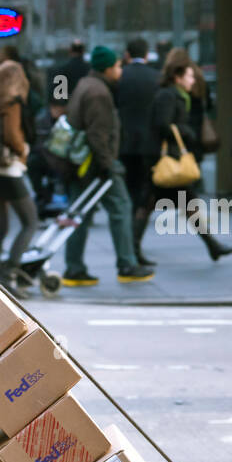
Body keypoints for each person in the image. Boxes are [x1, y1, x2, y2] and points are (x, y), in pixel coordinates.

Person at [61, 46, 155, 285]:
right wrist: (109, 165)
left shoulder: (85, 85)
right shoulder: (99, 93)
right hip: (97, 166)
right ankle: (127, 264)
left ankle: (74, 268)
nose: (120, 70)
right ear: (107, 68)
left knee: (78, 214)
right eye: (117, 66)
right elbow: (97, 135)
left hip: (80, 164)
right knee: (121, 208)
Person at [149, 60, 232, 261]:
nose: (192, 80)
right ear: (177, 78)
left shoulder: (178, 96)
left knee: (179, 203)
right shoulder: (168, 96)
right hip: (168, 160)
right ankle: (213, 246)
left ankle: (213, 246)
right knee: (159, 203)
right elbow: (163, 124)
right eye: (189, 76)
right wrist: (187, 132)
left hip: (171, 159)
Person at [0, 60, 39, 298]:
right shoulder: (11, 103)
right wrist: (23, 150)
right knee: (30, 221)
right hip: (8, 171)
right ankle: (9, 274)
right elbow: (12, 134)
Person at [116, 38, 162, 265]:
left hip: (124, 144)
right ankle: (133, 246)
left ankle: (130, 246)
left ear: (126, 54)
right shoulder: (156, 78)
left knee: (129, 194)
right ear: (147, 54)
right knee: (142, 196)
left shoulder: (120, 76)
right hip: (147, 145)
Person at [49, 39, 90, 104]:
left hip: (69, 106)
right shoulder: (89, 69)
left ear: (70, 51)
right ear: (83, 51)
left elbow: (57, 94)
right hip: (86, 104)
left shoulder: (62, 69)